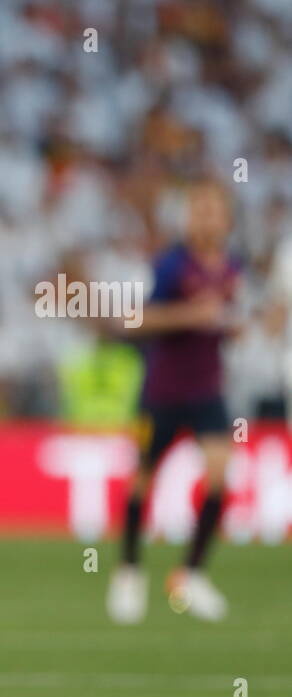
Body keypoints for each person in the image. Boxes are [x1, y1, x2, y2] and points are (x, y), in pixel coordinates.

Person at [107, 181, 242, 623]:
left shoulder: (232, 267)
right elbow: (137, 319)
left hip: (208, 390)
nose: (205, 218)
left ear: (226, 219)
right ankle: (128, 572)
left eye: (213, 210)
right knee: (142, 480)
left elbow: (226, 319)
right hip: (162, 392)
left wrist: (233, 327)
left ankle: (191, 574)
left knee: (221, 476)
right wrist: (192, 314)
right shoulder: (171, 265)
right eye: (198, 209)